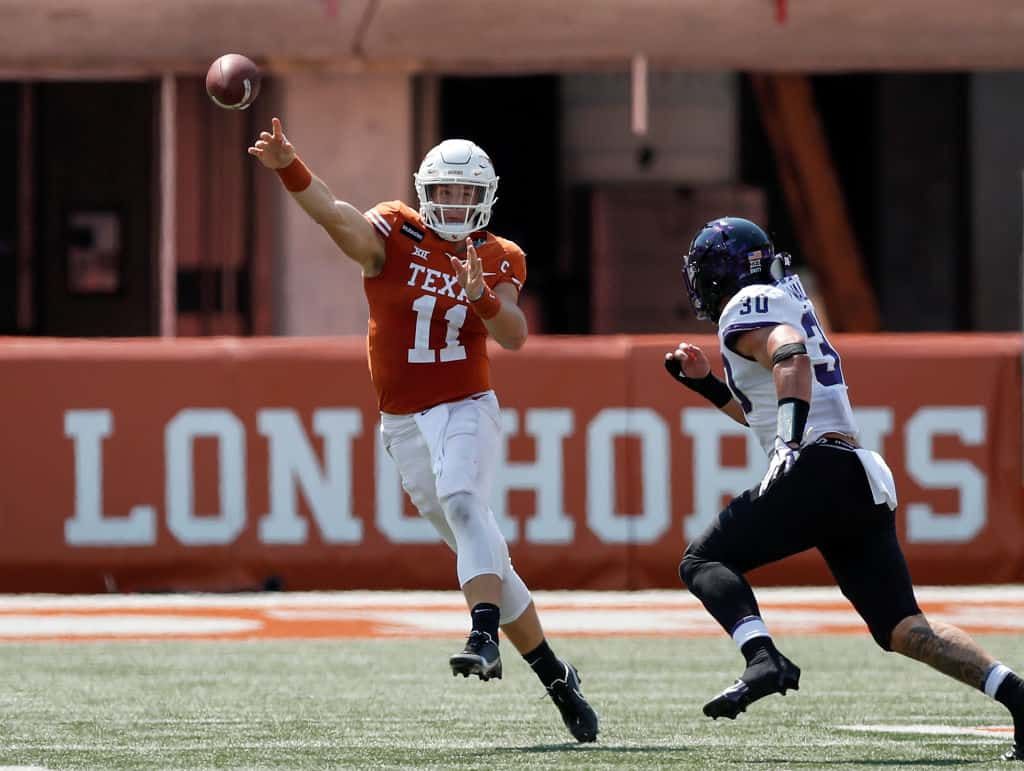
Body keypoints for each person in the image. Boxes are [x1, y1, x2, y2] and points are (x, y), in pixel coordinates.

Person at [248, 119, 598, 743]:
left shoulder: (497, 255)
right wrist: (288, 167)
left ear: (486, 197)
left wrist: (484, 300)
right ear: (424, 191)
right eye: (446, 192)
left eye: (467, 194)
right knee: (482, 545)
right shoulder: (396, 230)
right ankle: (555, 676)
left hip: (466, 403)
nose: (456, 205)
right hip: (403, 422)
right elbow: (335, 216)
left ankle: (481, 634)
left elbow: (514, 336)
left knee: (466, 502)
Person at [664, 216, 1022, 762]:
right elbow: (763, 406)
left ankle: (763, 658)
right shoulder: (780, 296)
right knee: (903, 628)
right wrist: (708, 386)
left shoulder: (749, 305)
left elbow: (788, 354)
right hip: (854, 475)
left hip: (817, 467)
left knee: (701, 560)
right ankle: (1017, 694)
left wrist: (788, 441)